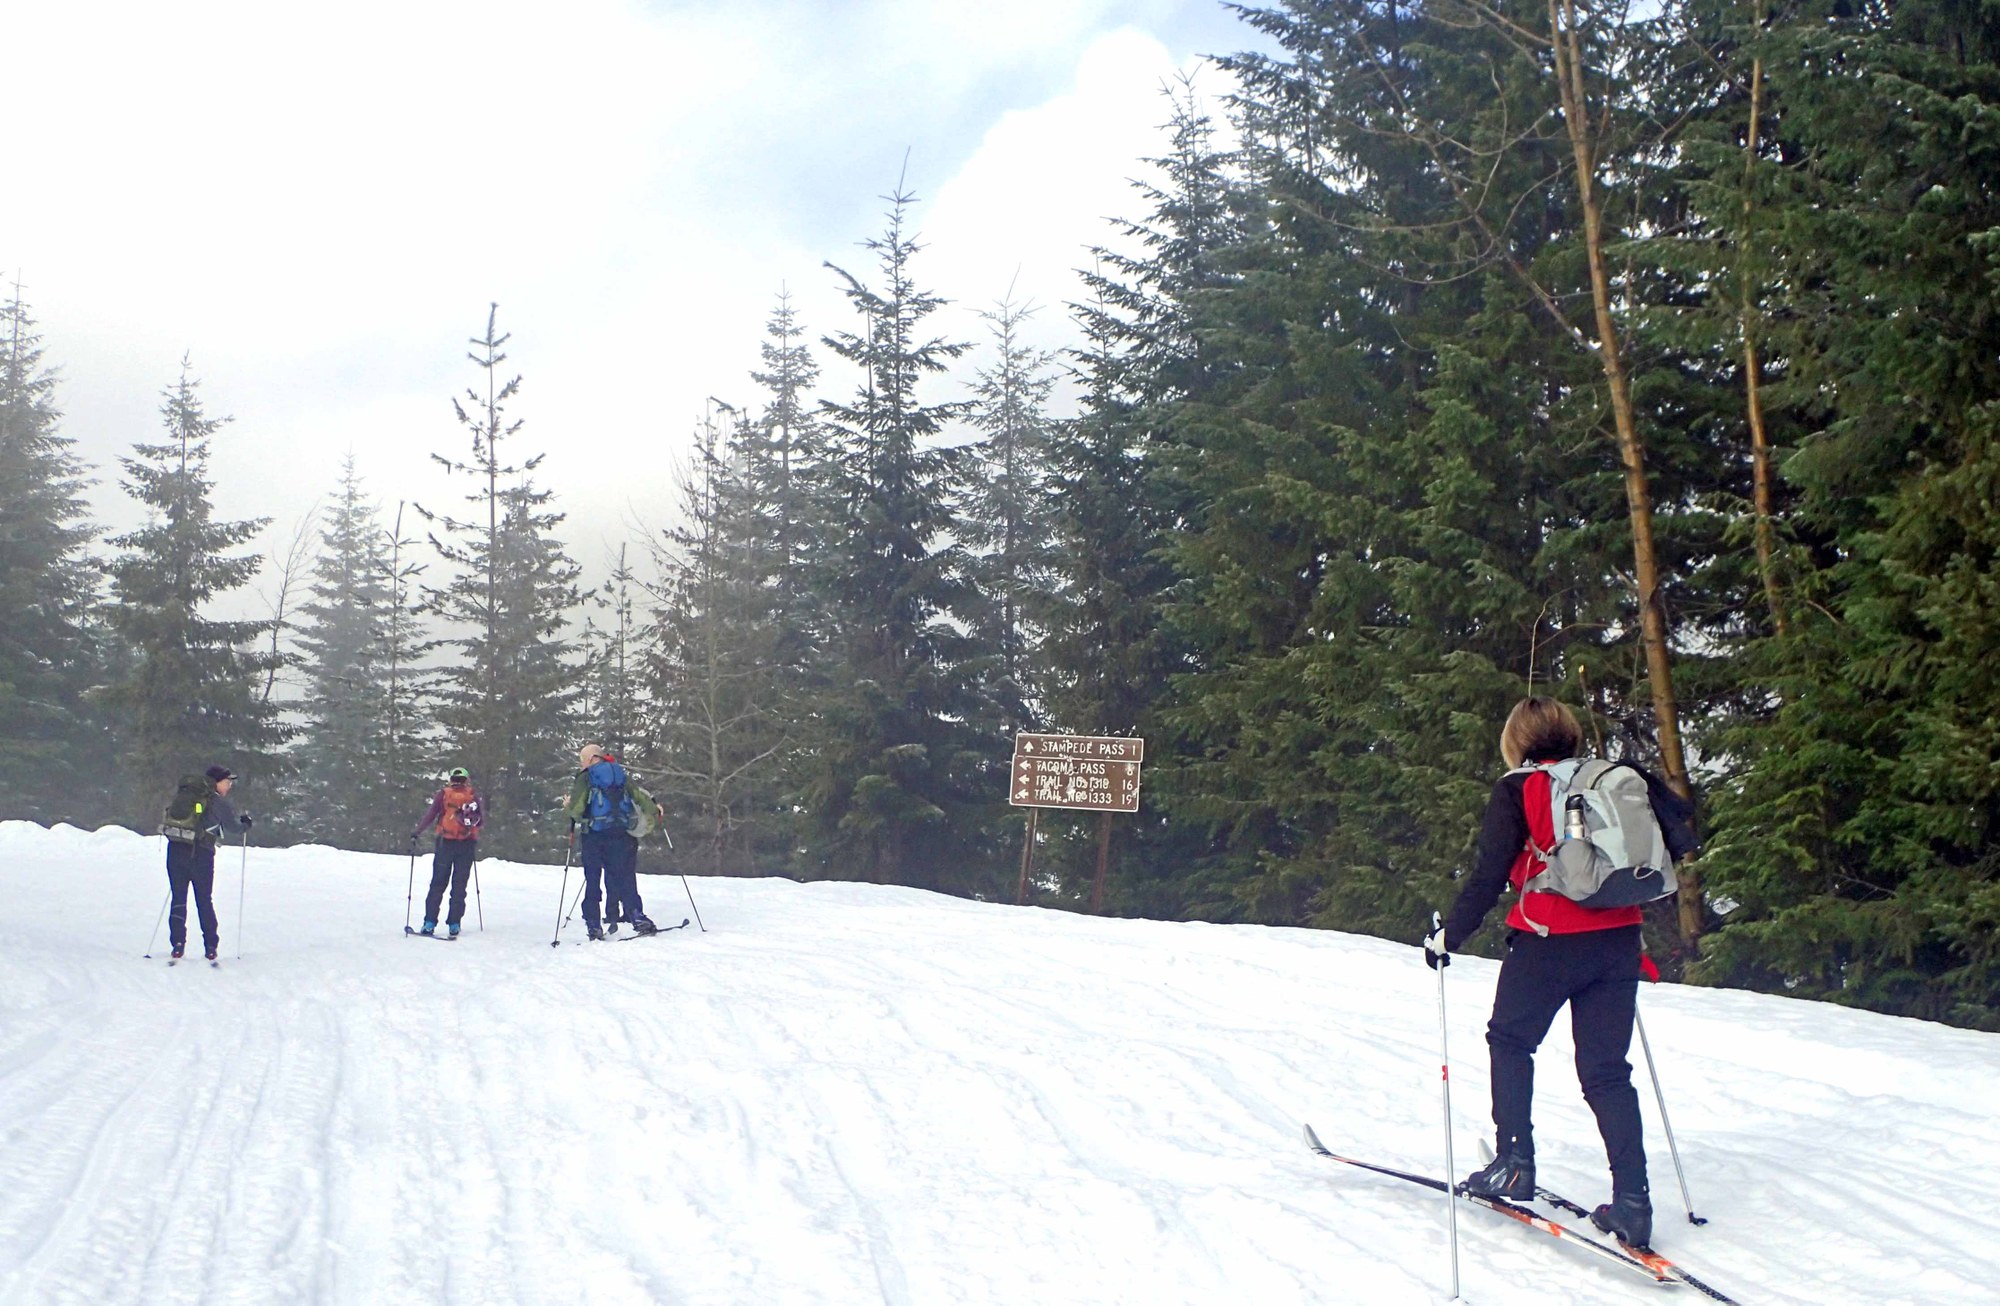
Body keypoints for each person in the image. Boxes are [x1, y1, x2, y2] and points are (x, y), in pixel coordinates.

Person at [1427, 696, 1654, 1248]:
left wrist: (1446, 935)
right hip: (1620, 938)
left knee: (1509, 1039)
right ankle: (1633, 1203)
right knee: (1606, 1072)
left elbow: (1488, 872)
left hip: (1550, 939)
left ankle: (1513, 1163)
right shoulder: (1607, 779)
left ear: (1517, 740)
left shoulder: (1518, 787)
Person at [564, 743, 666, 940]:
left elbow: (576, 811)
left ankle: (594, 925)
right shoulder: (620, 774)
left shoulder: (586, 777)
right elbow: (639, 797)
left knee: (593, 878)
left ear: (593, 758)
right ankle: (637, 916)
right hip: (620, 834)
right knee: (624, 877)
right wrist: (655, 811)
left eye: (583, 759)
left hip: (594, 835)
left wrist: (568, 806)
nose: (582, 763)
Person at [160, 764, 253, 963]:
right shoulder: (217, 802)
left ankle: (177, 945)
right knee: (204, 900)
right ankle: (210, 947)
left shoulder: (186, 795)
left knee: (178, 898)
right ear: (217, 782)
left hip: (176, 850)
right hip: (201, 854)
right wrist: (246, 824)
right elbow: (233, 827)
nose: (229, 786)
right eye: (227, 782)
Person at [411, 766, 484, 938]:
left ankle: (429, 923)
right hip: (466, 845)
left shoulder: (444, 794)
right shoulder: (473, 796)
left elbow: (431, 815)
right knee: (459, 885)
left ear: (451, 779)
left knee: (437, 884)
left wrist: (417, 832)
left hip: (445, 844)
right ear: (466, 780)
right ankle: (454, 923)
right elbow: (480, 822)